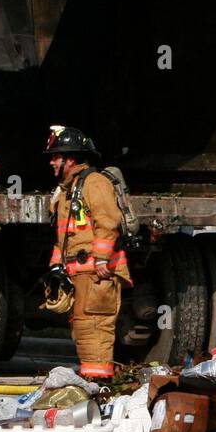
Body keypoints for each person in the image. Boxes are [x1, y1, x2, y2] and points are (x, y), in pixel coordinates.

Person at [45, 126, 131, 381]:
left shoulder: (95, 183)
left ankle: (100, 386)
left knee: (94, 329)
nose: (51, 163)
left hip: (96, 274)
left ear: (70, 159)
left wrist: (102, 259)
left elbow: (109, 222)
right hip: (80, 274)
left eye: (55, 157)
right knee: (83, 330)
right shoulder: (67, 191)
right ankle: (92, 383)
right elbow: (64, 236)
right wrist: (56, 269)